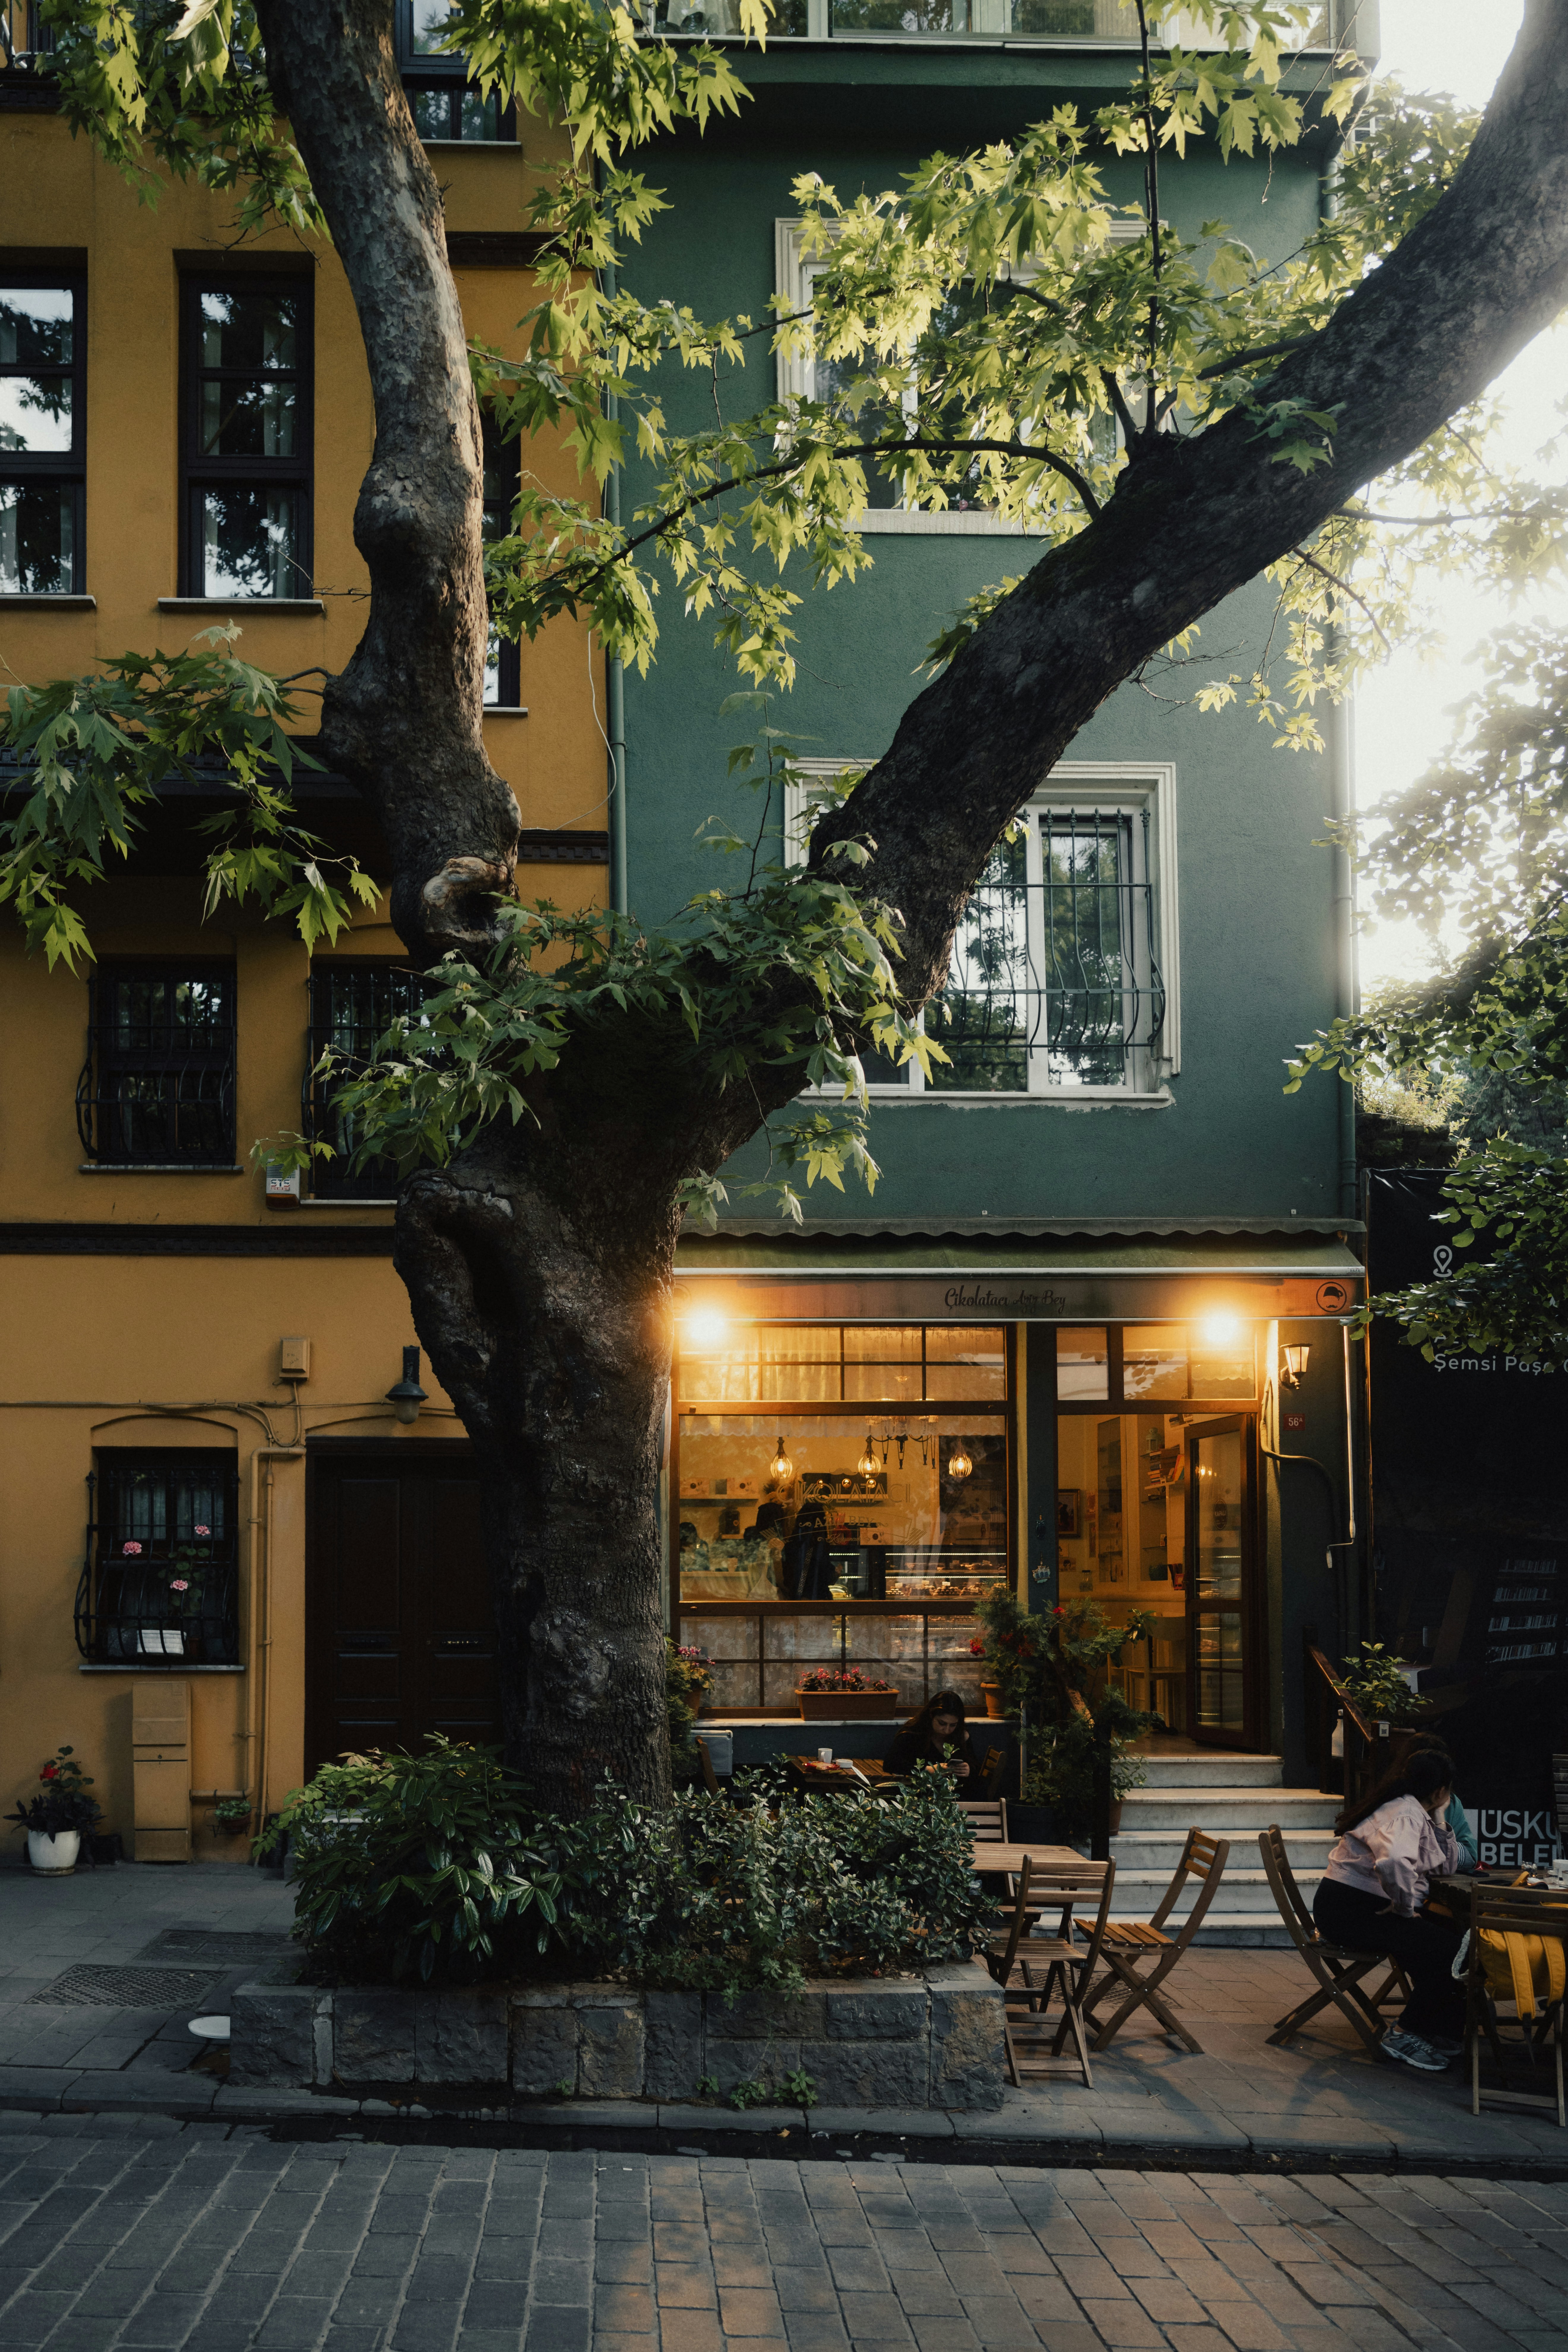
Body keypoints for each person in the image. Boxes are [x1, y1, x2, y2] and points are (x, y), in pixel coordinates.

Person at [1312, 1746, 1465, 2074]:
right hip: (1350, 1909)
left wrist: (1440, 1819)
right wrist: (1405, 1908)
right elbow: (1394, 1861)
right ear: (1440, 1790)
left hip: (1355, 1905)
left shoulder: (1414, 1811)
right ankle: (1404, 2033)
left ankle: (1439, 2028)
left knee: (1456, 1937)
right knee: (1449, 1950)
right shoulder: (1404, 1814)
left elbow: (1446, 1867)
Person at [884, 1690, 985, 1783]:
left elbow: (975, 1767)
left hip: (957, 1794)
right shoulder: (914, 1733)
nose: (947, 1730)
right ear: (932, 1716)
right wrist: (928, 1770)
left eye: (953, 1725)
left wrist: (968, 1769)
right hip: (922, 1792)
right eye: (942, 1723)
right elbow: (891, 1764)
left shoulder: (961, 1735)